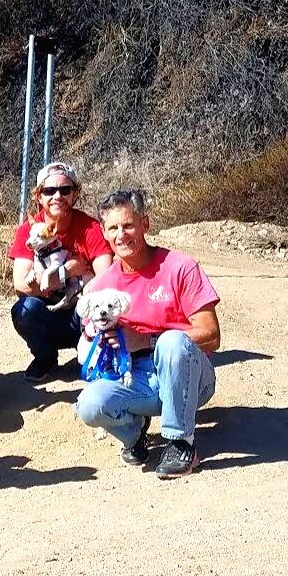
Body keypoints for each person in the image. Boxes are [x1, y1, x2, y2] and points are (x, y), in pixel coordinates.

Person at [74, 190, 222, 479]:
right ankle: (134, 434)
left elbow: (212, 335)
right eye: (113, 228)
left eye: (128, 225)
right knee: (89, 405)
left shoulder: (180, 266)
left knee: (171, 341)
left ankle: (180, 443)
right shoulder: (103, 287)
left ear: (145, 224)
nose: (121, 235)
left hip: (191, 379)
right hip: (136, 377)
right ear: (104, 233)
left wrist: (146, 340)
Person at [9, 162, 114, 382]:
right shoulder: (29, 230)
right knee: (24, 309)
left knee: (100, 302)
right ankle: (45, 357)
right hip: (47, 312)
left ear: (75, 194)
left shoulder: (90, 227)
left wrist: (78, 290)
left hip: (81, 313)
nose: (57, 196)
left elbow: (105, 279)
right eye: (49, 191)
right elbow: (21, 283)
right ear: (39, 196)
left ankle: (89, 353)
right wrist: (67, 271)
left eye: (65, 190)